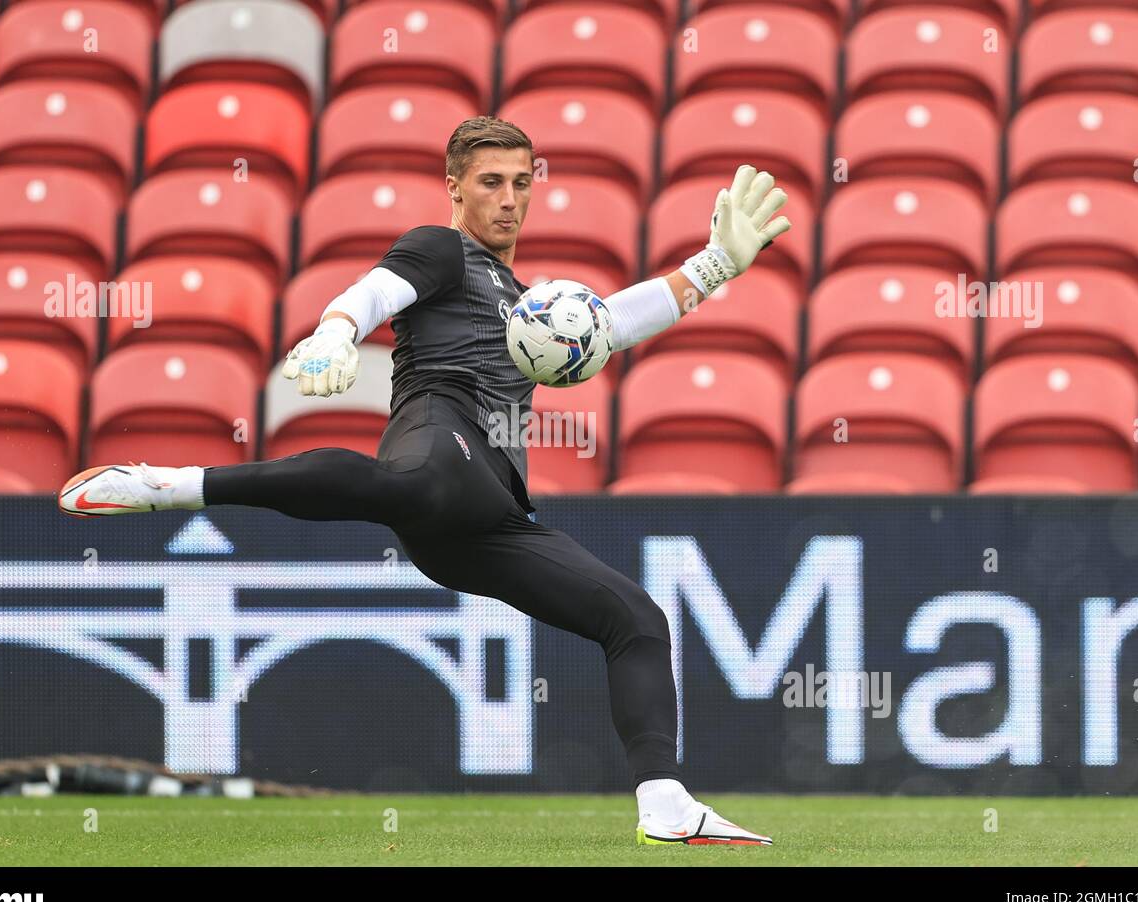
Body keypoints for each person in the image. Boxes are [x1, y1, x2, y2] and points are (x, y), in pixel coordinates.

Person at [59, 116, 791, 845]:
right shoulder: (442, 250)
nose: (510, 198)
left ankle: (663, 805)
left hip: (486, 519)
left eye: (521, 182)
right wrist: (337, 329)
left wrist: (713, 267)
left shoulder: (528, 301)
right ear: (454, 187)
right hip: (440, 442)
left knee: (635, 620)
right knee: (417, 483)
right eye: (491, 183)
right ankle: (170, 485)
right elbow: (378, 290)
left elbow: (613, 323)